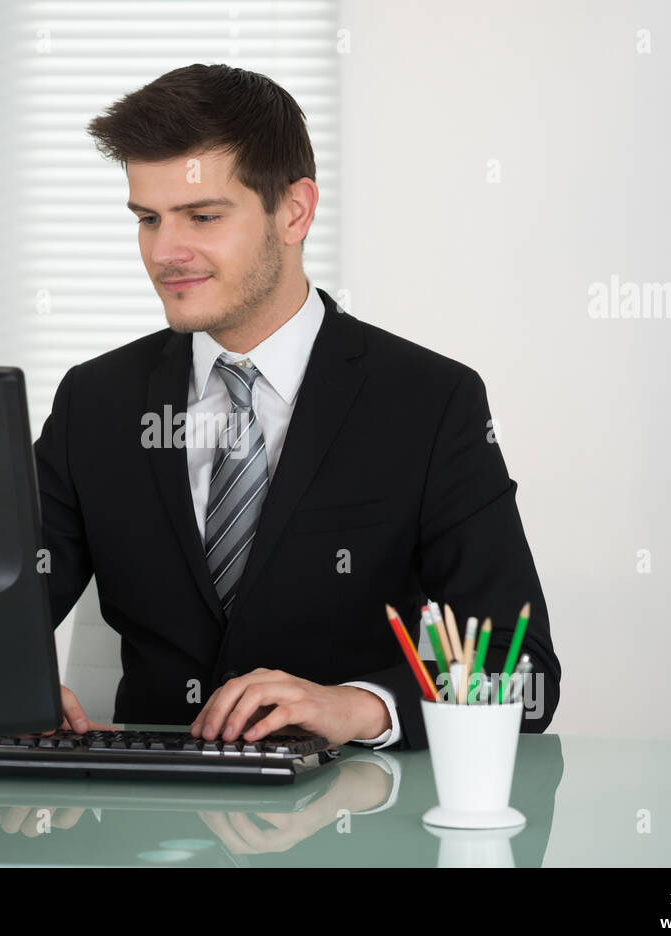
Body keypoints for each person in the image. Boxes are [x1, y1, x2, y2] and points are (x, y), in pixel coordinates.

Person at [33, 63, 559, 751]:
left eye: (202, 216)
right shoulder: (94, 401)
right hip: (150, 823)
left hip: (356, 818)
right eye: (148, 219)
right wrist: (12, 686)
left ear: (294, 211)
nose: (164, 253)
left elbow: (523, 675)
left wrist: (360, 706)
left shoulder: (430, 402)